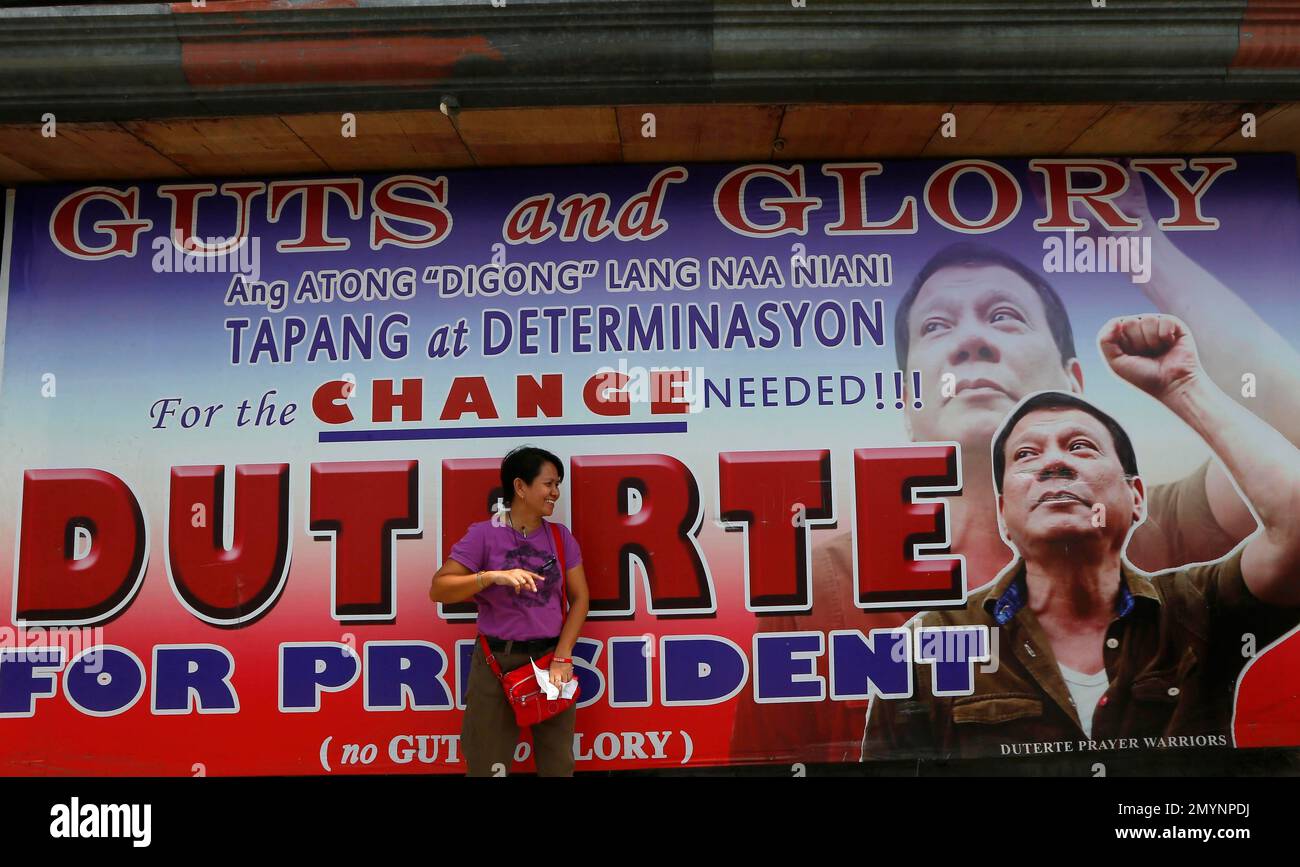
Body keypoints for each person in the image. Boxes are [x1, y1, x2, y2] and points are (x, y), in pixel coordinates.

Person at [732, 168, 1300, 763]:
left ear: (1073, 384)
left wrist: (1142, 247)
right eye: (936, 326)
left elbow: (1288, 434)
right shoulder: (822, 586)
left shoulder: (1165, 528)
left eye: (1005, 316)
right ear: (907, 404)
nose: (971, 342)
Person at [862, 314, 1300, 758]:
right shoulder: (931, 642)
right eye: (1027, 455)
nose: (1055, 464)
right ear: (1003, 514)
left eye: (1080, 447)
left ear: (1137, 498)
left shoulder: (1195, 607)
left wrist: (1183, 385)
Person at [430, 445, 589, 776]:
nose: (556, 493)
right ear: (520, 487)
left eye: (558, 484)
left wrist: (563, 655)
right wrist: (491, 577)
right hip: (495, 662)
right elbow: (439, 588)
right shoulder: (484, 535)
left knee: (558, 765)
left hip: (550, 663)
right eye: (548, 484)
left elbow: (581, 599)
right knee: (488, 764)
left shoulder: (561, 538)